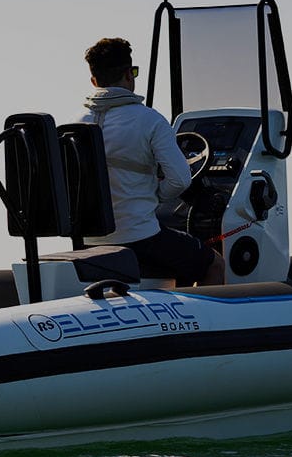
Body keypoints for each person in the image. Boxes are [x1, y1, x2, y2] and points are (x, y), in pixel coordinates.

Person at [81, 36, 224, 286]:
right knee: (214, 263)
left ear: (94, 81)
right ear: (129, 75)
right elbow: (180, 179)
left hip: (90, 240)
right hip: (139, 237)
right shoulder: (150, 120)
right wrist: (157, 194)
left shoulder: (75, 123)